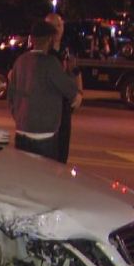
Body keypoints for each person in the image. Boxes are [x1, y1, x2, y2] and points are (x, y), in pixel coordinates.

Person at [8, 21, 82, 162]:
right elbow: (72, 93)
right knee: (44, 178)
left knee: (25, 175)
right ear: (49, 40)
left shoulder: (20, 61)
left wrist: (18, 116)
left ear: (32, 39)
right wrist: (74, 74)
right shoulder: (50, 63)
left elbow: (11, 96)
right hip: (44, 136)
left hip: (21, 131)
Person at [44, 13, 83, 163]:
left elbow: (75, 72)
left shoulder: (66, 51)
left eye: (60, 25)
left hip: (64, 109)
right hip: (49, 110)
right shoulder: (44, 53)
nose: (57, 29)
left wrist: (79, 91)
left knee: (62, 154)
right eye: (53, 26)